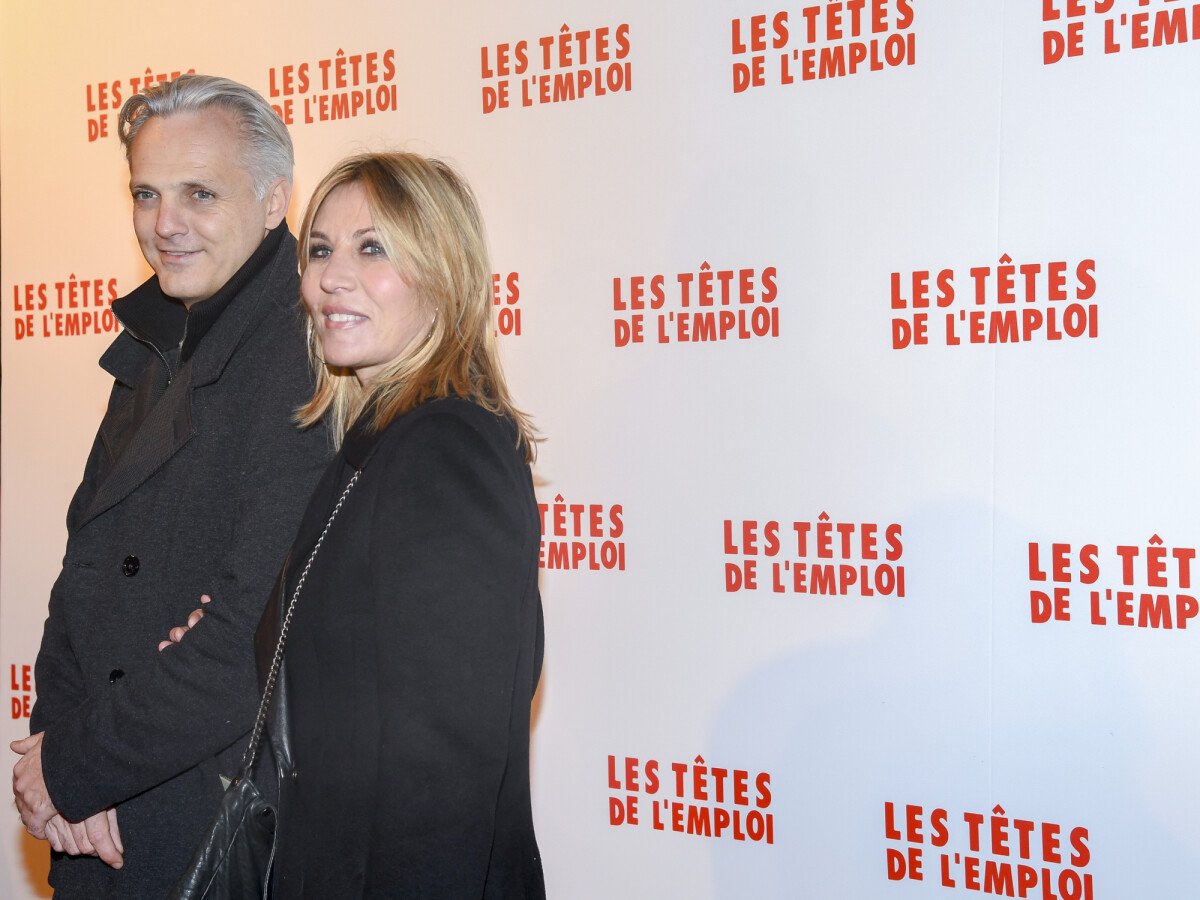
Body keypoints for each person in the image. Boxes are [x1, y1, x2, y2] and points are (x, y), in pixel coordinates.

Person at [10, 74, 330, 898]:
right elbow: (83, 572)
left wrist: (79, 767)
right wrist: (58, 752)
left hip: (206, 823)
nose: (165, 224)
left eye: (199, 194)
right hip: (104, 816)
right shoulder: (155, 339)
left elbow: (247, 644)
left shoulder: (306, 357)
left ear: (273, 201)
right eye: (146, 194)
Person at [257, 151, 546, 896]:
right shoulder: (377, 446)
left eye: (372, 248)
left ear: (444, 276)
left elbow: (446, 775)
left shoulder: (445, 452)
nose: (332, 276)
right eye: (319, 250)